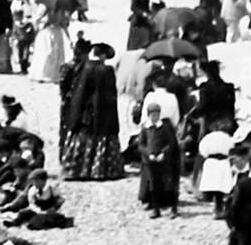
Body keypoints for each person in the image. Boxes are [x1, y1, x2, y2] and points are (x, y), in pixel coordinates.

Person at [61, 43, 123, 182]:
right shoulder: (107, 70)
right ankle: (100, 170)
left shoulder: (83, 67)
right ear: (102, 56)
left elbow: (78, 92)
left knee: (82, 138)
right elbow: (111, 94)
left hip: (85, 112)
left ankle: (78, 170)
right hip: (103, 111)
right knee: (102, 137)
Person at [138, 100, 181, 219]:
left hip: (164, 160)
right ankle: (156, 209)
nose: (154, 117)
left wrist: (163, 153)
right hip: (150, 161)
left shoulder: (164, 127)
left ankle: (174, 208)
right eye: (152, 115)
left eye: (156, 114)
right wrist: (149, 154)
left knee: (168, 184)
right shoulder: (145, 128)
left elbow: (171, 143)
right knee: (153, 185)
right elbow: (141, 145)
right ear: (148, 115)